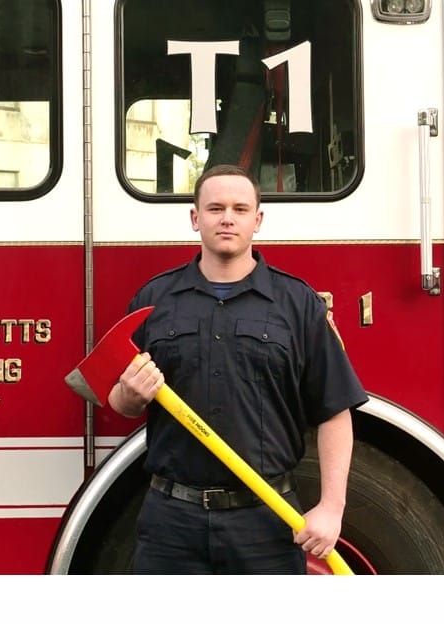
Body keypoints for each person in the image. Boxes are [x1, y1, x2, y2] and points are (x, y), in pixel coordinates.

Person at [108, 164, 367, 573]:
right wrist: (129, 394)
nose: (227, 218)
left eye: (240, 209)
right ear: (195, 218)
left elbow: (334, 410)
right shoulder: (154, 300)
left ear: (257, 220)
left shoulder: (297, 304)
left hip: (266, 520)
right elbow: (119, 402)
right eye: (215, 208)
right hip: (171, 523)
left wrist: (332, 508)